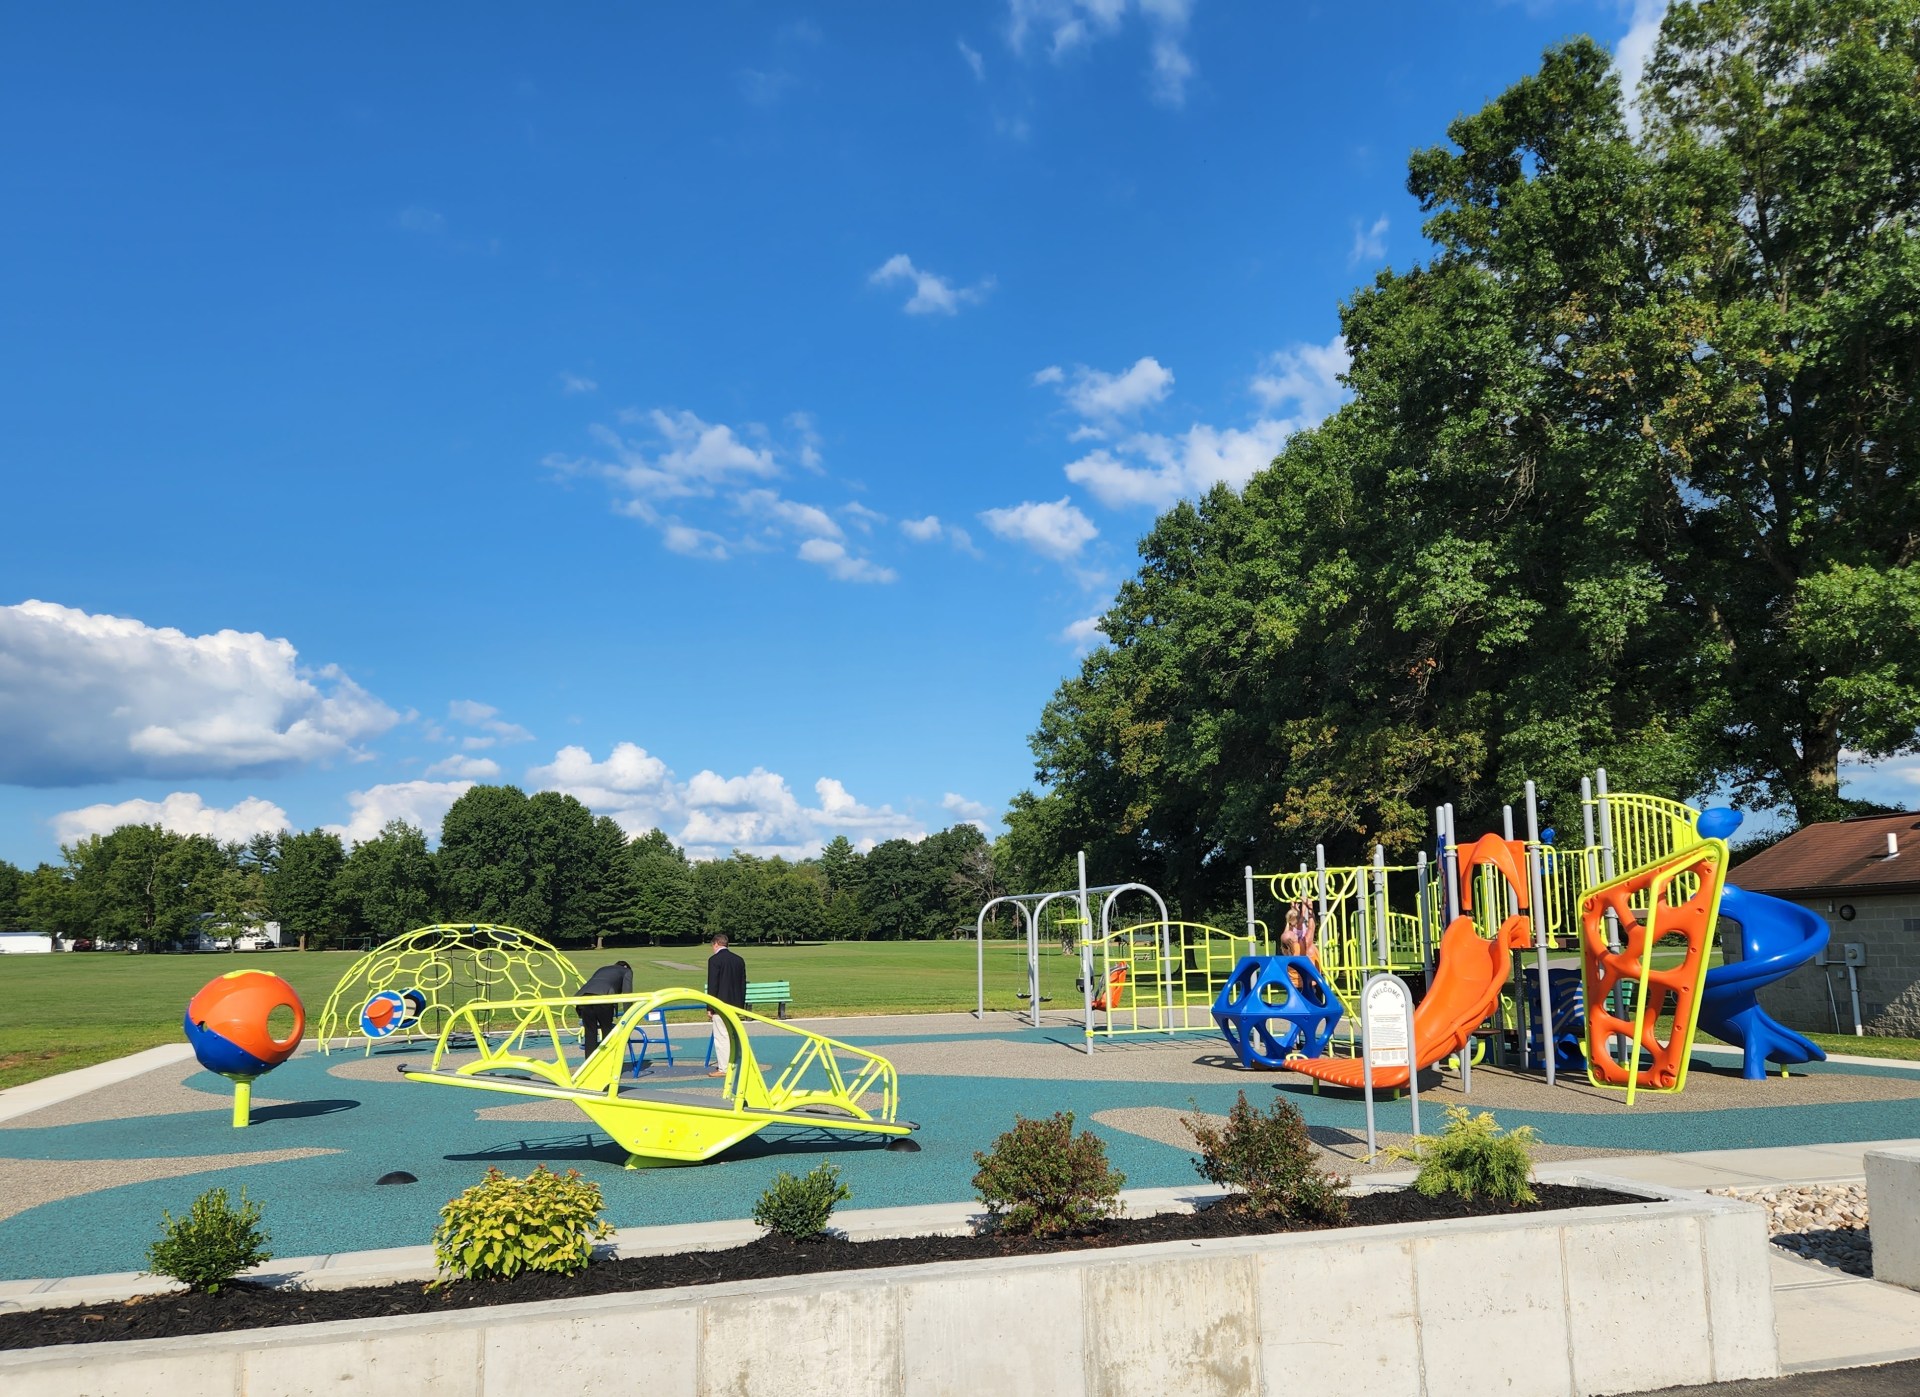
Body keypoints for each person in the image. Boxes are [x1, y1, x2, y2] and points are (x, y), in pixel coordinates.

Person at [705, 932, 747, 1077]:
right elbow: (742, 985)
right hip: (735, 1004)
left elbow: (713, 985)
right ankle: (736, 1063)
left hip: (720, 1005)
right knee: (733, 1036)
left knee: (721, 1037)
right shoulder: (739, 960)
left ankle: (723, 1068)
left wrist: (710, 1007)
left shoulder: (714, 960)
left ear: (716, 943)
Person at [576, 960, 631, 1054]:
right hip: (604, 998)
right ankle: (608, 1062)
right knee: (607, 1032)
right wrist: (629, 1015)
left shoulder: (603, 968)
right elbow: (627, 994)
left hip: (584, 997)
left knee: (590, 1034)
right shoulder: (627, 971)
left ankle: (590, 1065)